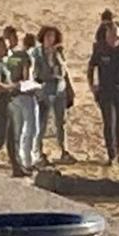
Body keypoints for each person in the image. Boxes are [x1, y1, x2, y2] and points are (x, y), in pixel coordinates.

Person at [88, 22, 119, 166]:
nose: (115, 39)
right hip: (105, 92)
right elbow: (91, 67)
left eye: (118, 37)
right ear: (107, 36)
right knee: (109, 123)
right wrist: (92, 85)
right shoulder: (100, 49)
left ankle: (118, 153)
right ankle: (111, 155)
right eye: (112, 36)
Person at [33, 26, 77, 166]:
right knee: (42, 123)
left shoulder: (59, 53)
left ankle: (64, 150)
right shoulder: (37, 53)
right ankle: (38, 153)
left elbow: (65, 71)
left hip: (60, 90)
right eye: (48, 36)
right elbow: (36, 74)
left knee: (61, 122)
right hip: (45, 91)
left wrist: (70, 88)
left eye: (52, 36)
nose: (50, 39)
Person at [0, 37, 25, 177]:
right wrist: (12, 87)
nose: (7, 50)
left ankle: (10, 164)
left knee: (7, 134)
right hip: (0, 101)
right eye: (4, 47)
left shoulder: (2, 62)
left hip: (5, 101)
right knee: (4, 135)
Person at [4, 33, 41, 173]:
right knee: (31, 129)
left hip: (13, 95)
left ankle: (17, 160)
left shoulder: (12, 57)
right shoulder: (27, 57)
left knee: (17, 130)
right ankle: (28, 160)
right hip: (26, 95)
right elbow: (27, 77)